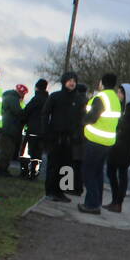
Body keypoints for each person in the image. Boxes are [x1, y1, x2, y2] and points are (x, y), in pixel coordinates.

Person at [78, 73, 121, 214]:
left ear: (102, 82)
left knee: (88, 172)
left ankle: (91, 204)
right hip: (108, 141)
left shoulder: (101, 98)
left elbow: (92, 116)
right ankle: (97, 202)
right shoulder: (115, 99)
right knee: (97, 173)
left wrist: (82, 122)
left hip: (95, 140)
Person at [42, 71, 80, 201]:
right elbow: (45, 114)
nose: (72, 83)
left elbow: (81, 118)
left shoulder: (78, 99)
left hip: (70, 138)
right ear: (64, 82)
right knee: (53, 165)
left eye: (74, 80)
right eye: (69, 80)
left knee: (66, 167)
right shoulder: (55, 96)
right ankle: (50, 191)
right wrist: (46, 131)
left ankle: (61, 192)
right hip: (55, 136)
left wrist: (77, 134)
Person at [104, 83, 130, 212]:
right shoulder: (120, 107)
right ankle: (114, 200)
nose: (118, 94)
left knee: (122, 174)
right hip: (115, 146)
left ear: (126, 95)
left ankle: (118, 202)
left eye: (120, 92)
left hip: (124, 148)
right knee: (111, 172)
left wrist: (119, 127)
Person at [0, 83, 27, 175]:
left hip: (8, 128)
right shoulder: (13, 98)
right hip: (8, 129)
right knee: (6, 151)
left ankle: (3, 169)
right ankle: (0, 169)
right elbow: (18, 112)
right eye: (23, 94)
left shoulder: (9, 96)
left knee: (8, 150)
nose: (23, 96)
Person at [20, 78, 48, 179]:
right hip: (42, 132)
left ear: (36, 88)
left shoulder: (36, 99)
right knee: (37, 154)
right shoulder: (48, 100)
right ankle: (34, 174)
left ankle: (25, 173)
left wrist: (22, 121)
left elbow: (26, 112)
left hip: (32, 130)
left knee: (26, 153)